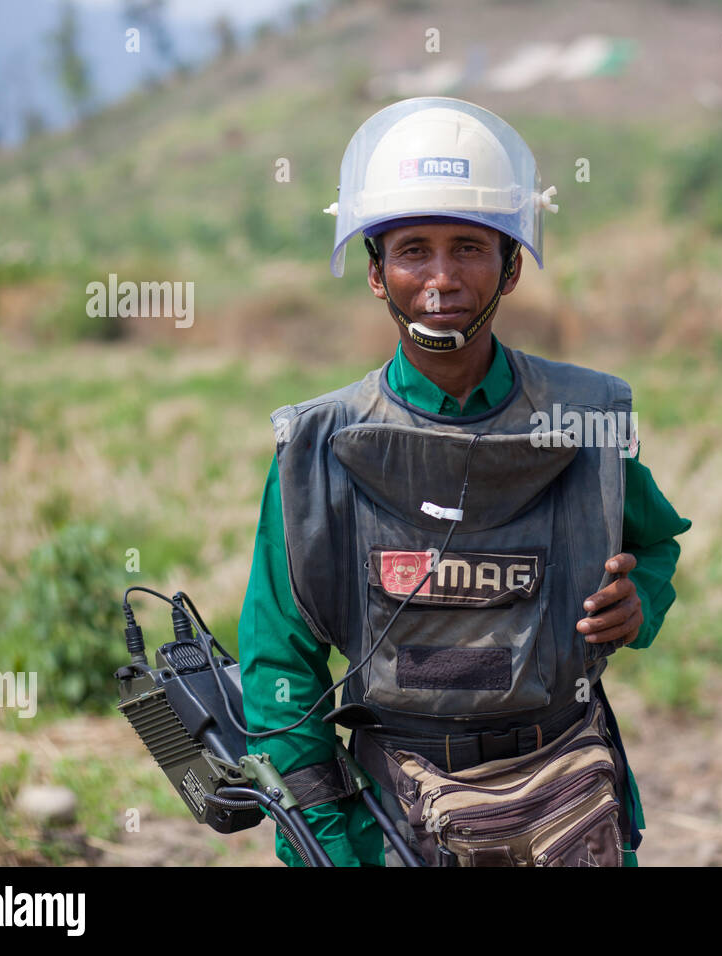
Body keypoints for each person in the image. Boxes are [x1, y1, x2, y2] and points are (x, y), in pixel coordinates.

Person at [237, 96, 691, 866]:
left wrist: (639, 600)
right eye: (414, 249)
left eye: (470, 247)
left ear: (511, 267)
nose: (442, 277)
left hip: (569, 794)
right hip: (394, 813)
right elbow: (279, 664)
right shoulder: (314, 450)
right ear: (376, 273)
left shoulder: (588, 417)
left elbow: (655, 546)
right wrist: (328, 839)